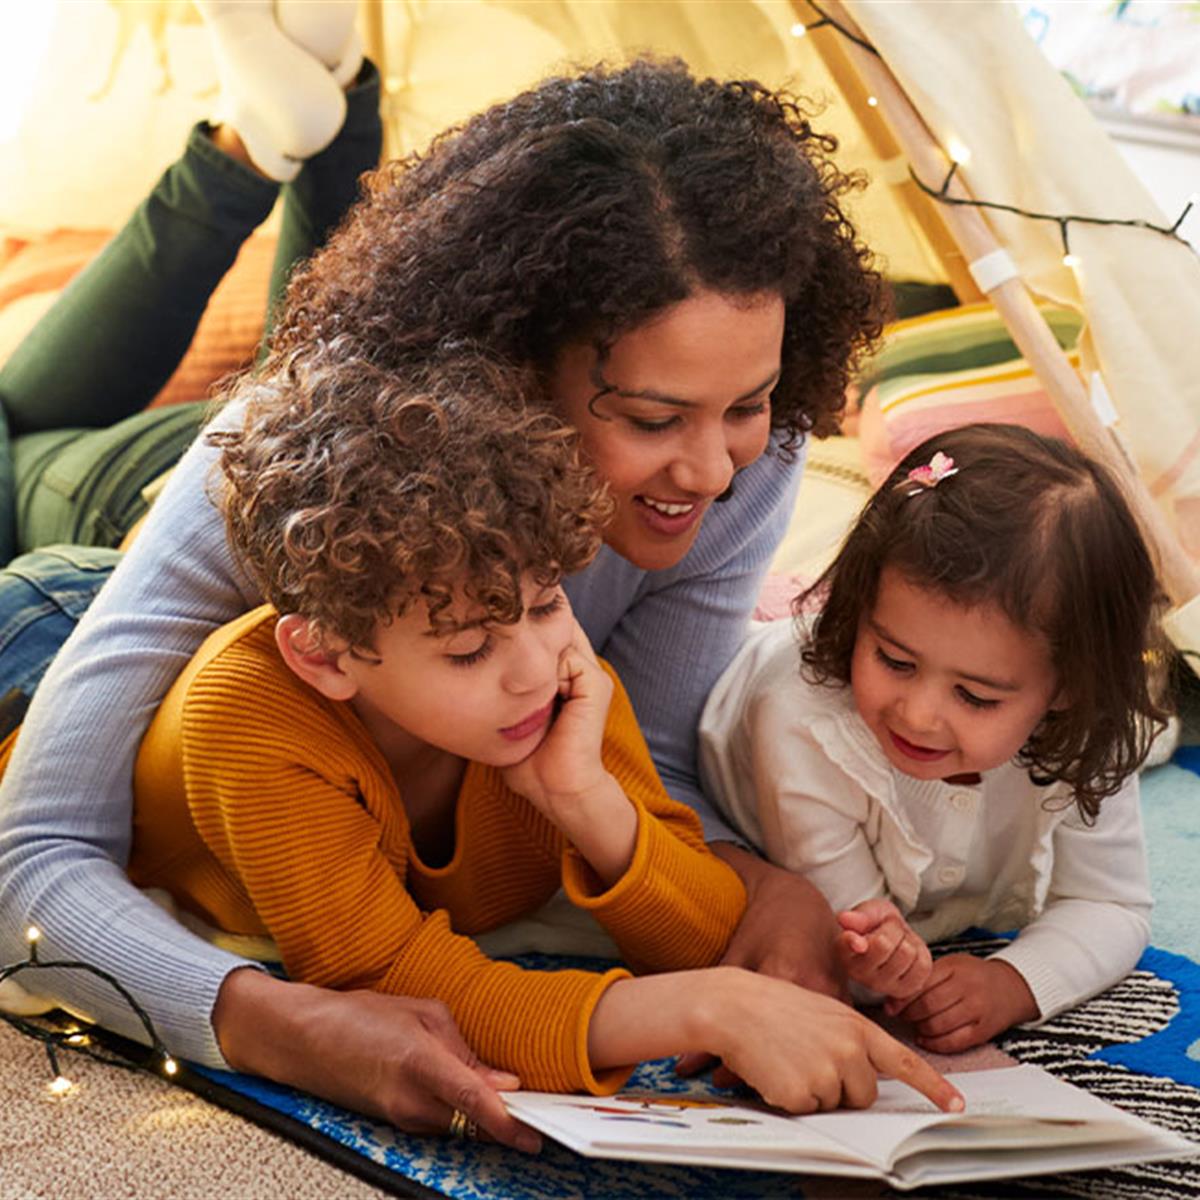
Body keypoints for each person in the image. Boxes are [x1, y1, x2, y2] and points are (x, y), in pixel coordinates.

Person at [0, 4, 885, 1142]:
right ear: (511, 369)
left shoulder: (729, 466)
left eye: (750, 407)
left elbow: (645, 772)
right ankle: (258, 146)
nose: (714, 470)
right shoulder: (273, 472)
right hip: (66, 591)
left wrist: (766, 887)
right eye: (656, 416)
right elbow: (32, 859)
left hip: (380, 674)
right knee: (21, 430)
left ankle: (298, 130)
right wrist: (273, 1020)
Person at [54, 349, 947, 1119]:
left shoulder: (557, 676)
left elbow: (707, 928)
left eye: (550, 601)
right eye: (471, 648)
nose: (536, 665)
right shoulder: (253, 718)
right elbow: (386, 977)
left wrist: (587, 801)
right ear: (326, 656)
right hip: (40, 636)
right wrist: (700, 1012)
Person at [700, 423, 1167, 1052]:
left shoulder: (1092, 731)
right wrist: (878, 958)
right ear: (860, 612)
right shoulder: (801, 724)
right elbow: (846, 946)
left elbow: (1113, 905)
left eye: (974, 696)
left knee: (1146, 730)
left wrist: (1013, 982)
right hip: (738, 702)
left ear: (1068, 687)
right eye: (894, 660)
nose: (918, 715)